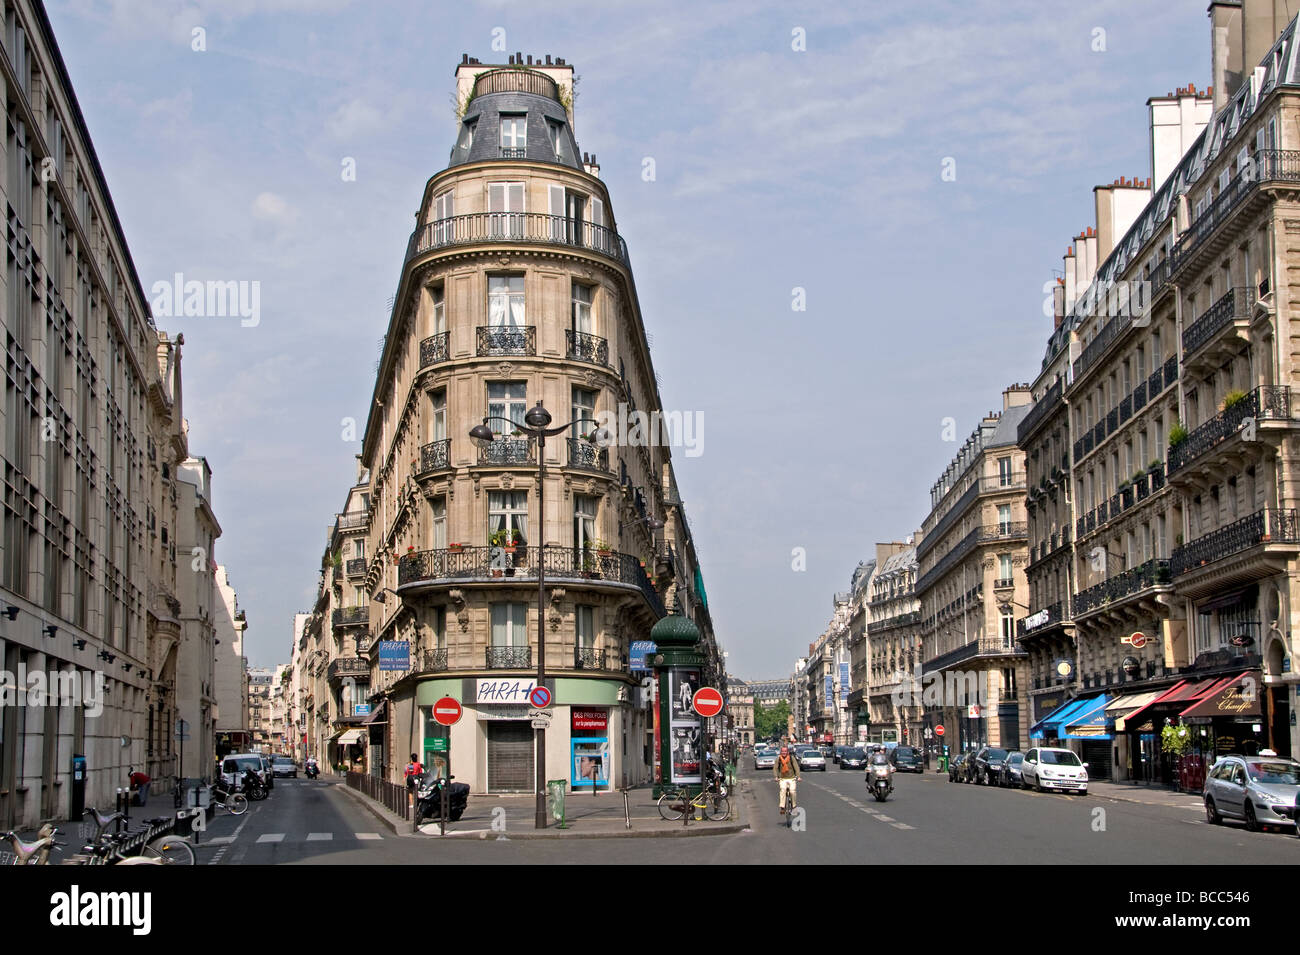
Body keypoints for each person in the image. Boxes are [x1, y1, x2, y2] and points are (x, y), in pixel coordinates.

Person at [773, 745, 801, 814]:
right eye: (782, 751)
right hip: (782, 779)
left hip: (792, 778)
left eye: (785, 751)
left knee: (792, 791)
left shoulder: (792, 758)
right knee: (782, 790)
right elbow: (775, 768)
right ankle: (782, 807)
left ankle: (794, 806)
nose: (784, 752)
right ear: (780, 752)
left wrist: (798, 776)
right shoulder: (778, 759)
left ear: (787, 752)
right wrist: (776, 776)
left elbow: (796, 767)